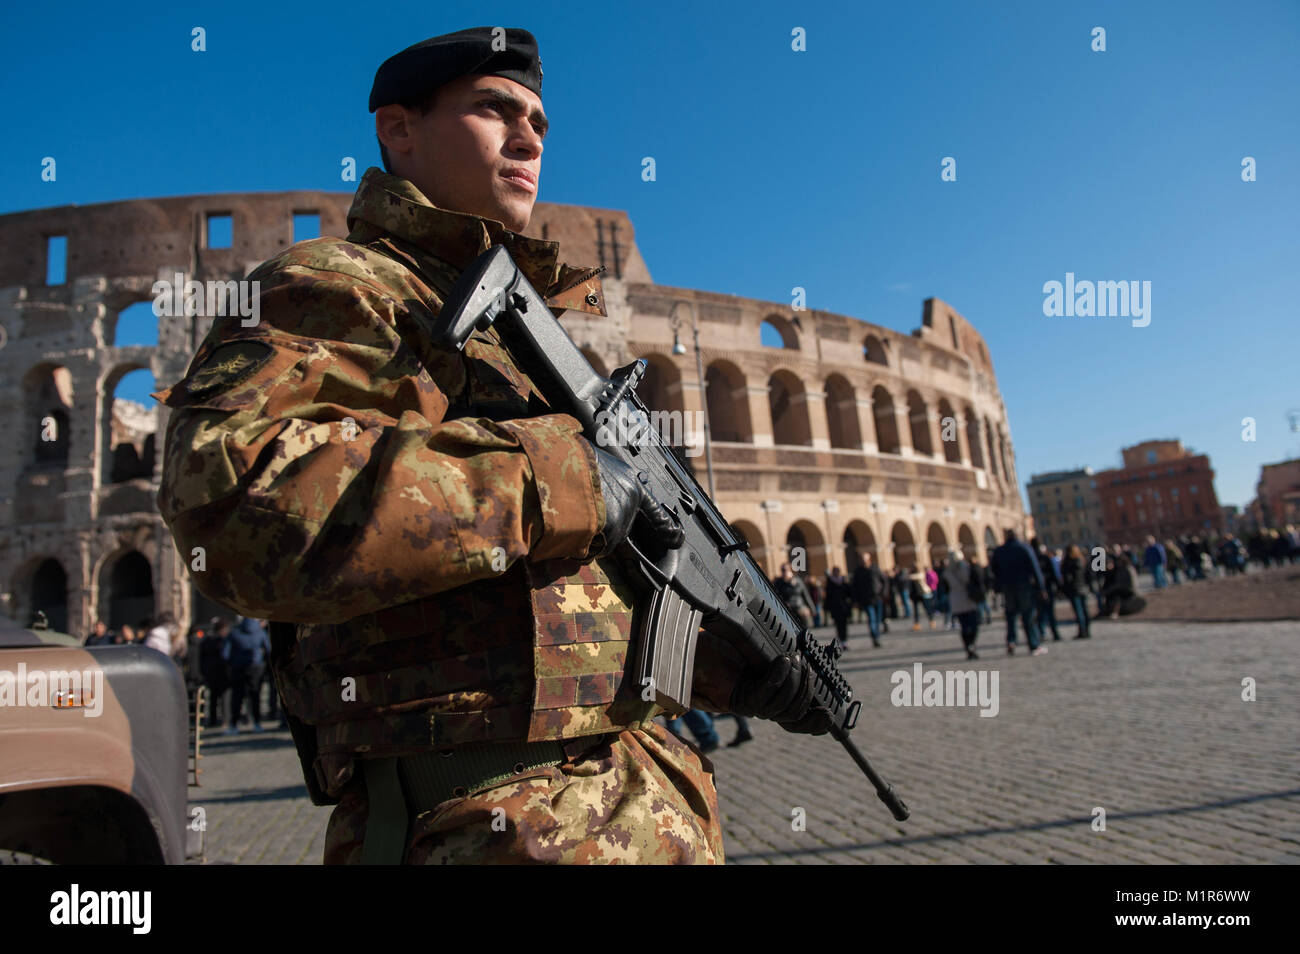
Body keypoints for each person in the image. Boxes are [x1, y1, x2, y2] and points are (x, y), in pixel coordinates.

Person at [154, 27, 830, 865]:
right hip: (479, 818)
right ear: (398, 130)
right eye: (494, 109)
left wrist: (742, 668)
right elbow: (230, 501)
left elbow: (570, 600)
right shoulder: (335, 286)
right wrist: (561, 477)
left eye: (541, 123)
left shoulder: (531, 337)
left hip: (638, 803)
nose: (529, 137)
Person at [990, 529, 1047, 656]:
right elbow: (1035, 568)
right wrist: (1041, 587)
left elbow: (994, 569)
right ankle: (1033, 645)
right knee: (1028, 616)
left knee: (1011, 616)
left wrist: (999, 584)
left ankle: (1011, 641)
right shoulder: (1024, 548)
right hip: (1024, 585)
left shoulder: (999, 551)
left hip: (1007, 587)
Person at [223, 615, 272, 734]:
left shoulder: (234, 633)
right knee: (255, 696)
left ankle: (234, 725)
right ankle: (257, 723)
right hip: (255, 667)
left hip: (238, 668)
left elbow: (225, 654)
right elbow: (268, 649)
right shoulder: (260, 632)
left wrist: (232, 663)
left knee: (237, 697)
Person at [943, 549, 981, 660]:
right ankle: (970, 645)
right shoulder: (965, 569)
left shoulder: (947, 573)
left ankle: (969, 646)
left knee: (966, 626)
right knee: (972, 625)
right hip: (967, 599)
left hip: (957, 601)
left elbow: (946, 589)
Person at [200, 618, 231, 729]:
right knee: (224, 698)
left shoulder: (207, 641)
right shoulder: (224, 641)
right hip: (222, 672)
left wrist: (203, 671)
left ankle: (213, 719)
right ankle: (225, 720)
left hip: (211, 672)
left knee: (213, 697)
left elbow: (202, 658)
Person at [849, 551, 885, 647]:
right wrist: (855, 600)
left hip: (877, 597)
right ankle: (875, 637)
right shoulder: (858, 571)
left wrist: (884, 593)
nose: (863, 561)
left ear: (869, 559)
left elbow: (883, 580)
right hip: (866, 599)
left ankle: (876, 635)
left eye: (865, 559)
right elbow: (854, 587)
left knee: (878, 619)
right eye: (862, 559)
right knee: (871, 618)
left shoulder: (875, 568)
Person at [1029, 537, 1061, 642]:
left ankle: (1042, 633)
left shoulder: (1031, 558)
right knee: (1050, 613)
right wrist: (1058, 586)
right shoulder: (1044, 557)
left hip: (1036, 589)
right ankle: (1055, 633)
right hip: (1047, 588)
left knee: (1040, 613)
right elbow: (1053, 573)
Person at [774, 563, 816, 631]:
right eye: (782, 570)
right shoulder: (779, 582)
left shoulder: (798, 581)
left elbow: (806, 596)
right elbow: (776, 595)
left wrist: (812, 609)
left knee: (804, 628)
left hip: (800, 607)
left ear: (790, 570)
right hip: (787, 610)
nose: (784, 572)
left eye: (785, 570)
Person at [1060, 545, 1090, 639]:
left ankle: (1082, 631)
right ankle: (1087, 630)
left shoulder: (1068, 562)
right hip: (1083, 588)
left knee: (1079, 612)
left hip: (1074, 589)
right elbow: (1088, 574)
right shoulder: (1082, 560)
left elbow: (1066, 577)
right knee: (1084, 611)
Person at [825, 564, 854, 649]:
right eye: (835, 571)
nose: (837, 573)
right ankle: (842, 640)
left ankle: (844, 640)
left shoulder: (844, 581)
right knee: (838, 625)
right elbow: (828, 596)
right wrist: (827, 607)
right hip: (835, 608)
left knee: (844, 625)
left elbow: (850, 592)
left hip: (844, 607)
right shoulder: (830, 582)